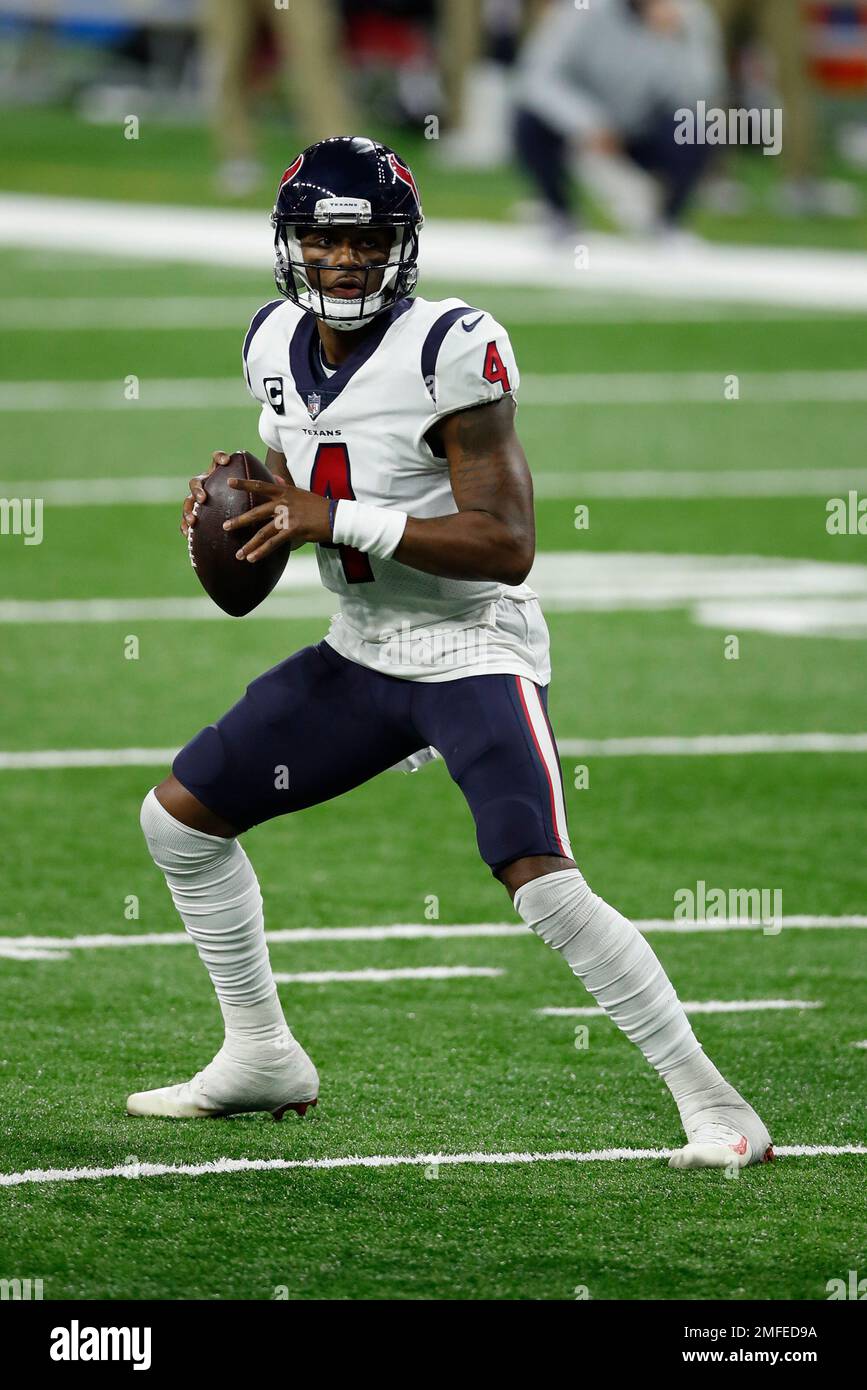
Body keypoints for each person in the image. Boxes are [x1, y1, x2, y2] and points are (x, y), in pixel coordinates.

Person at [129, 135, 773, 1170]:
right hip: (363, 647)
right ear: (290, 246)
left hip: (471, 644)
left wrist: (327, 516)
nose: (342, 262)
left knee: (539, 877)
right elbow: (299, 483)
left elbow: (507, 546)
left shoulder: (449, 348)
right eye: (321, 241)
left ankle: (718, 1106)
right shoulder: (268, 341)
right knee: (179, 822)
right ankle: (260, 1053)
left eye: (365, 242)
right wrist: (248, 504)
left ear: (401, 248)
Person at [513, 0, 724, 236]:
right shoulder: (583, 10)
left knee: (696, 126)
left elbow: (699, 95)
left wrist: (673, 41)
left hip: (642, 129)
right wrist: (587, 123)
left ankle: (667, 223)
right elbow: (538, 77)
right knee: (529, 118)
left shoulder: (689, 16)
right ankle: (559, 213)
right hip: (582, 127)